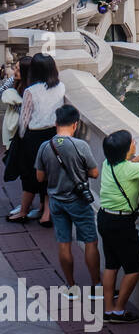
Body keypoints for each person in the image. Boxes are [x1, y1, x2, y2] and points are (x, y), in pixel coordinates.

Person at [34, 105, 100, 297]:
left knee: (63, 243)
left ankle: (71, 287)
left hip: (56, 201)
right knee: (90, 241)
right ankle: (96, 286)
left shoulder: (45, 147)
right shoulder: (81, 146)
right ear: (75, 124)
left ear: (56, 123)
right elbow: (94, 173)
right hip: (78, 200)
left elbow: (39, 177)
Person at [9, 53, 64, 226]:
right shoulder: (60, 87)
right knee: (49, 174)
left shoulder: (30, 91)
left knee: (30, 175)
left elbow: (24, 120)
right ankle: (47, 213)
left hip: (34, 136)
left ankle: (23, 211)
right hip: (53, 135)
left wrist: (21, 138)